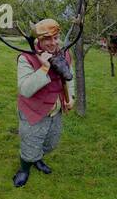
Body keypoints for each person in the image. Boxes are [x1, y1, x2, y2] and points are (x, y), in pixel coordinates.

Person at [13, 19, 75, 188]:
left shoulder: (65, 54)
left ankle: (37, 159)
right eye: (47, 39)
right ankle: (24, 169)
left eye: (55, 37)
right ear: (39, 39)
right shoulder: (26, 58)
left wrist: (71, 98)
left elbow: (69, 78)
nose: (53, 43)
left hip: (55, 109)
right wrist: (44, 67)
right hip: (34, 110)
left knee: (50, 142)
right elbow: (25, 89)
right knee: (30, 143)